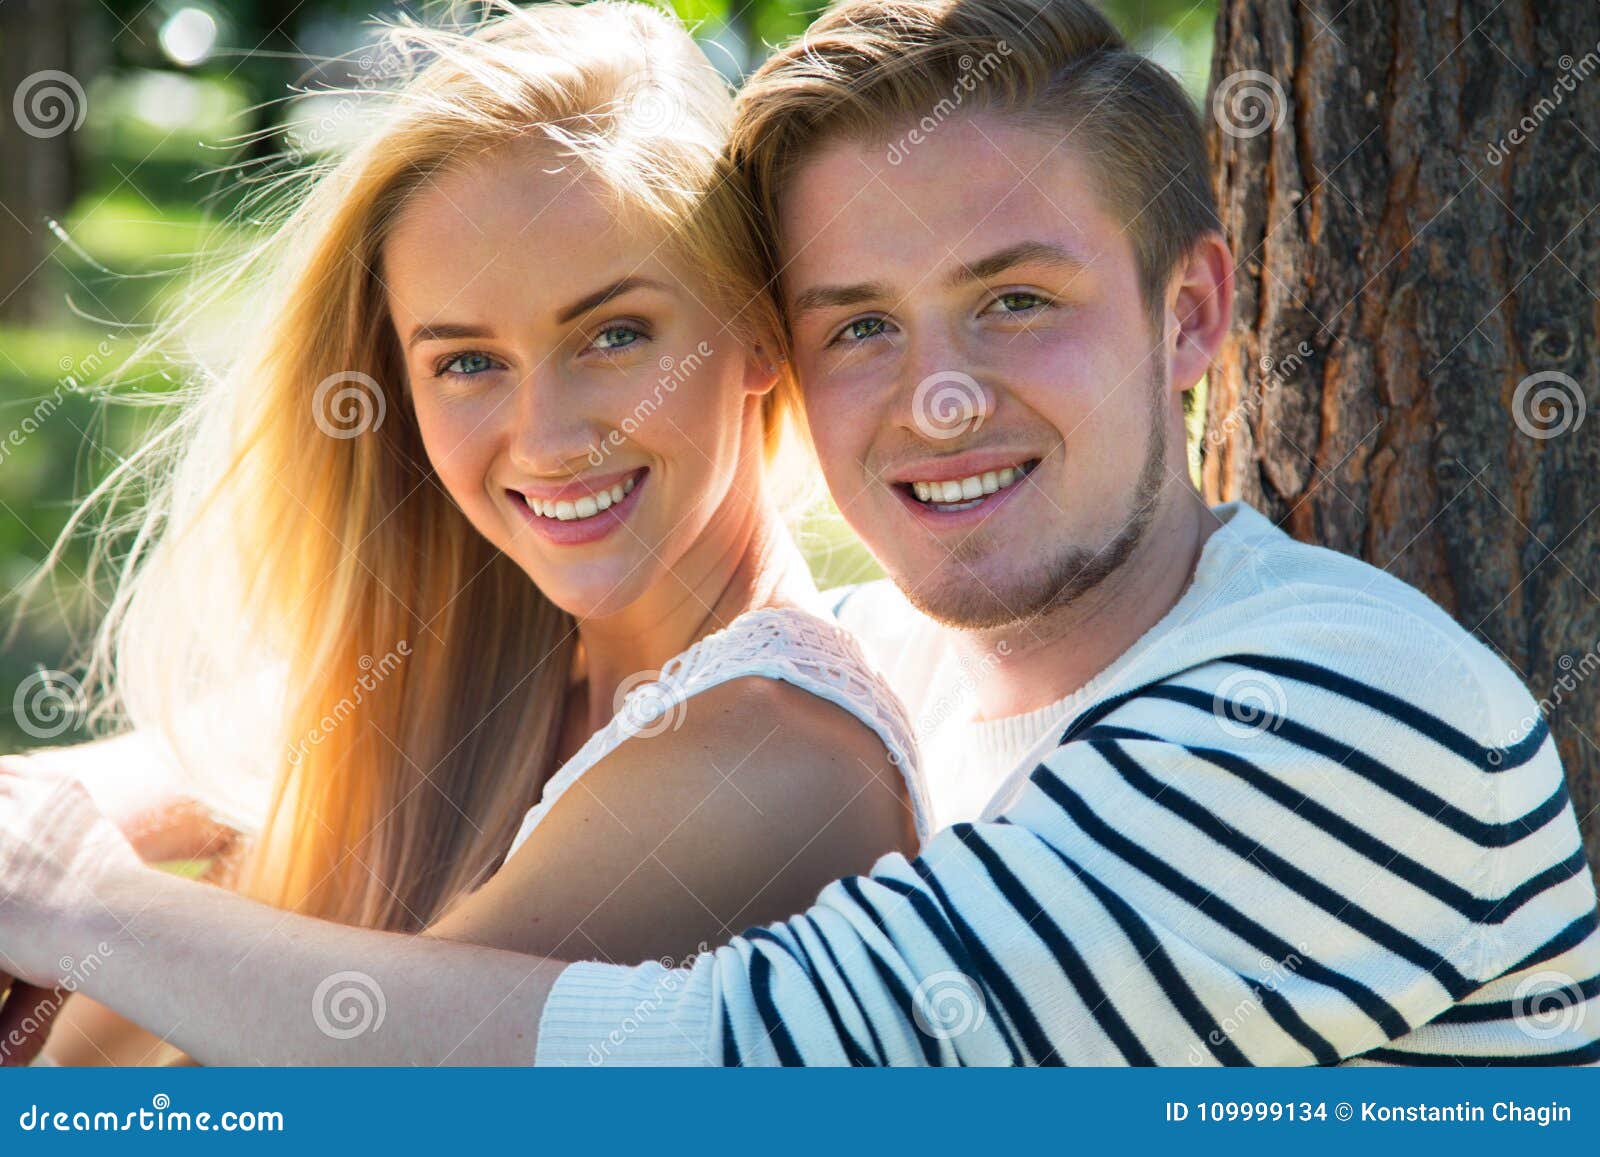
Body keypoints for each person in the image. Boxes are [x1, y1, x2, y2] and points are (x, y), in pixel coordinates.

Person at [2, 0, 1596, 1066]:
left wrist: (76, 904)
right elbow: (242, 761)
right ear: (785, 353)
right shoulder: (928, 662)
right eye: (861, 327)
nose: (942, 403)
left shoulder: (1335, 710)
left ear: (1190, 312)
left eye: (1014, 303)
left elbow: (710, 1059)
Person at [0, 1, 928, 1066]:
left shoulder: (775, 756)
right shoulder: (516, 652)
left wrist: (82, 898)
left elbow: (355, 1099)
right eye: (466, 361)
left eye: (614, 335)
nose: (544, 439)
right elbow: (174, 782)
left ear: (758, 332)